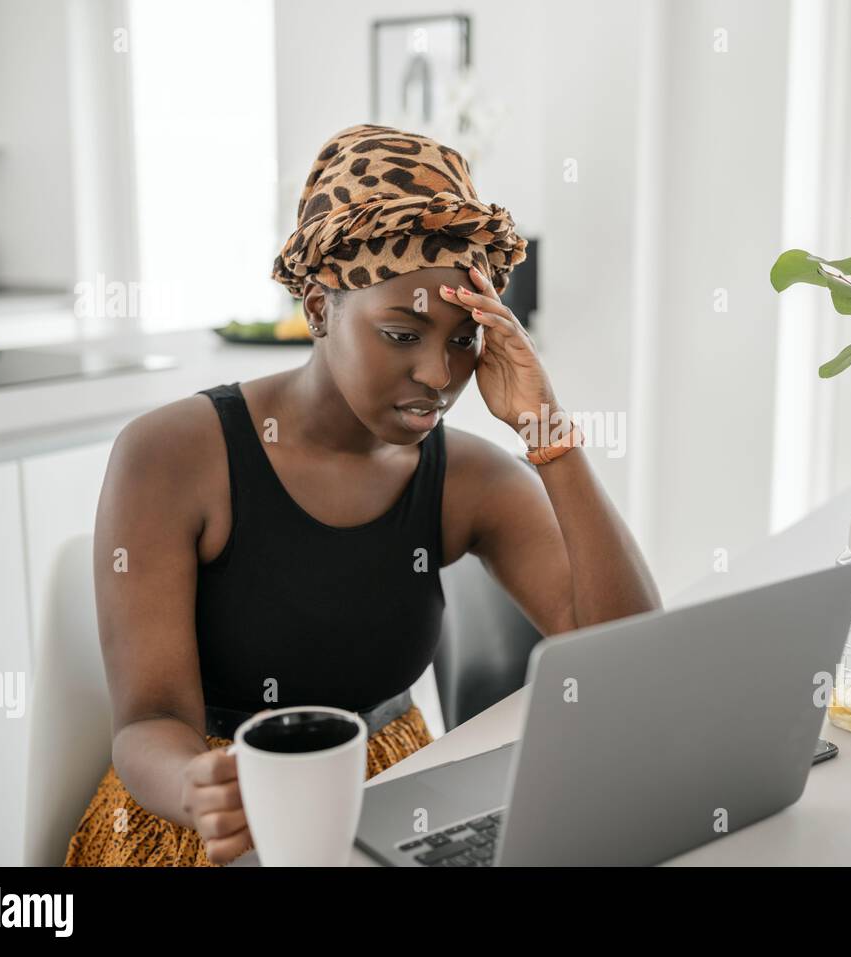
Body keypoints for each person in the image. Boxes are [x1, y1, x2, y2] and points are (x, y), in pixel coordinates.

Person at [63, 124, 660, 866]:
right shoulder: (171, 455)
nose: (438, 376)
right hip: (207, 822)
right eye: (403, 334)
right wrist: (198, 787)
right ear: (318, 308)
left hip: (392, 800)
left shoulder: (469, 478)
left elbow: (631, 664)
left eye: (462, 339)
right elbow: (148, 720)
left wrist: (550, 433)